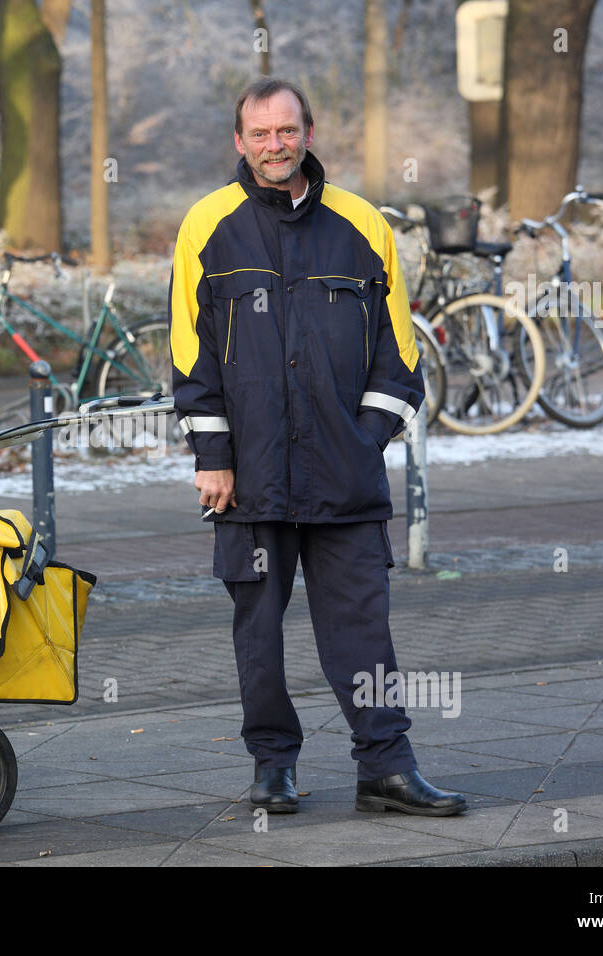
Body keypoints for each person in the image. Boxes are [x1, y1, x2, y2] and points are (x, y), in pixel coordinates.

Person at [168, 77, 466, 817]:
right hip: (251, 478)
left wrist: (362, 443)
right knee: (259, 638)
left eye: (287, 131)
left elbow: (400, 359)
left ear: (308, 133)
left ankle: (386, 769)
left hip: (345, 478)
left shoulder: (363, 224)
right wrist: (212, 457)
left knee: (364, 631)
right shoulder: (207, 225)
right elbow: (188, 355)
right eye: (261, 134)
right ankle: (273, 768)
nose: (276, 145)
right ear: (240, 141)